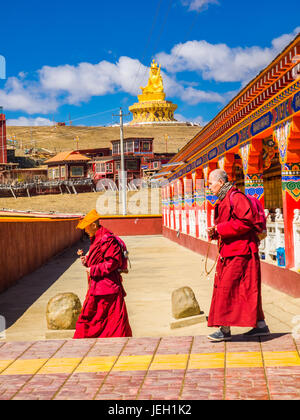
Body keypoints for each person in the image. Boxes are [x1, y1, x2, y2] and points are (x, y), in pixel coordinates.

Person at [206, 169, 270, 342]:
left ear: (220, 182)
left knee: (227, 288)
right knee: (247, 289)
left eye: (210, 183)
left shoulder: (236, 197)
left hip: (242, 252)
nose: (209, 187)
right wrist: (216, 232)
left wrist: (220, 229)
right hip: (232, 251)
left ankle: (225, 329)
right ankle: (261, 325)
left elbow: (245, 222)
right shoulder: (224, 199)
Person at [73, 209, 132, 339]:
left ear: (94, 225)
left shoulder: (107, 239)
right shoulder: (96, 238)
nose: (85, 230)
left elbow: (112, 263)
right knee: (92, 318)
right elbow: (98, 259)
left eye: (86, 227)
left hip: (108, 288)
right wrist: (87, 261)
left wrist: (93, 270)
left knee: (112, 321)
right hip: (97, 286)